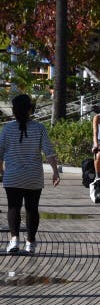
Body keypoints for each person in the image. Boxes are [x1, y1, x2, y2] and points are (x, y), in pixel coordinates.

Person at [0, 94, 60, 254]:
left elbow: (0, 152)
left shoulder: (7, 129)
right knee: (32, 209)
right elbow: (49, 152)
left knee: (13, 207)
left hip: (12, 176)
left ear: (13, 110)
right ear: (30, 110)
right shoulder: (39, 128)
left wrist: (1, 172)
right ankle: (30, 242)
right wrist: (55, 172)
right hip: (33, 176)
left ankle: (14, 241)